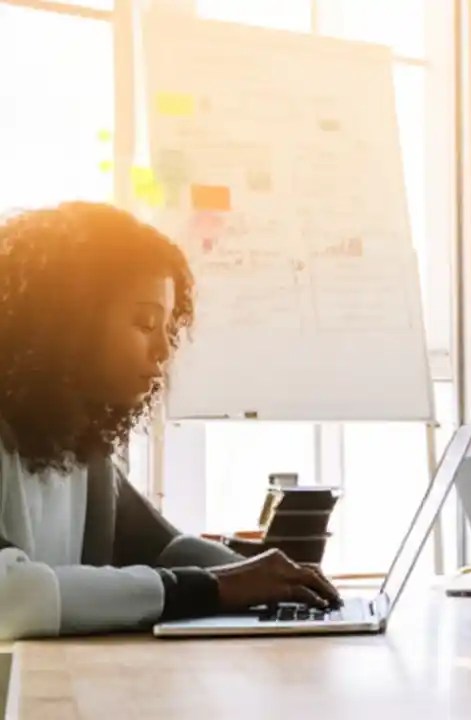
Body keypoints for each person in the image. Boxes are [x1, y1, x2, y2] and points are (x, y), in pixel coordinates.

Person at [0, 202, 340, 640]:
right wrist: (216, 587)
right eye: (145, 323)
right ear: (68, 322)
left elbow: (167, 550)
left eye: (169, 328)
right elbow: (12, 597)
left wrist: (276, 578)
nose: (163, 350)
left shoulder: (82, 450)